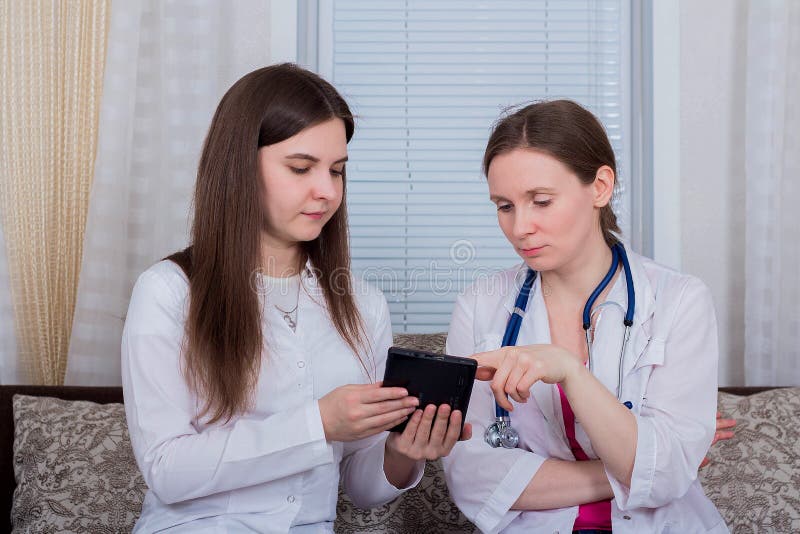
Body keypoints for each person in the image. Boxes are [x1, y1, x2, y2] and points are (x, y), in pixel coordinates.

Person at [121, 63, 468, 533]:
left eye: (337, 171)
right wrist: (317, 424)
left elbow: (361, 487)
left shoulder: (362, 306)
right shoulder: (168, 292)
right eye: (301, 168)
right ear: (240, 165)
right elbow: (167, 470)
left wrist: (401, 452)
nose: (326, 192)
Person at [441, 100, 728, 533]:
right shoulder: (479, 306)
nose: (520, 228)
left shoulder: (679, 301)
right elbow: (470, 477)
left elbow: (667, 475)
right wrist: (637, 470)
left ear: (600, 186)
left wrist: (570, 372)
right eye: (504, 206)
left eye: (540, 201)